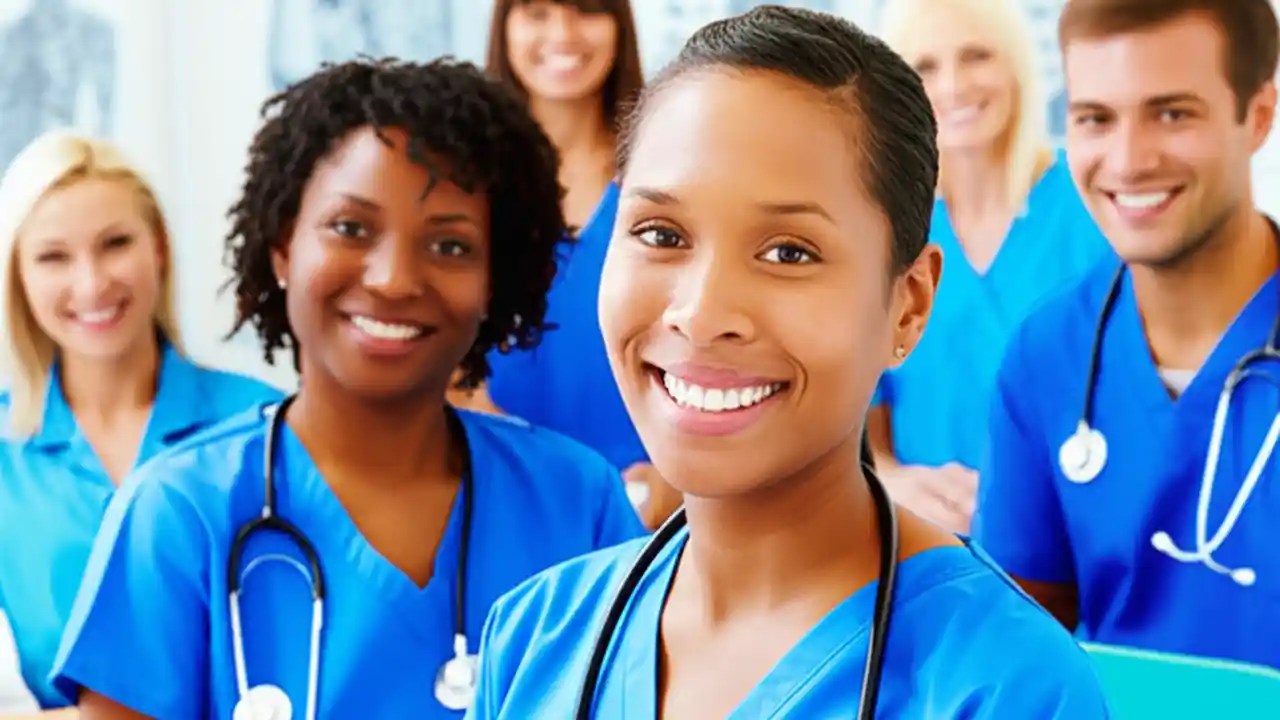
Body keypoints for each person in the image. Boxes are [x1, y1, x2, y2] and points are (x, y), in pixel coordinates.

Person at [467, 7, 1110, 717]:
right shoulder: (533, 641)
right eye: (660, 232)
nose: (703, 313)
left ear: (909, 306)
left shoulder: (1003, 686)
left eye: (788, 252)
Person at [48, 58, 646, 719]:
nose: (393, 278)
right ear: (283, 248)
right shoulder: (179, 512)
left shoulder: (578, 503)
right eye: (351, 229)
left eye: (449, 246)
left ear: (492, 279)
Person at [974, 0, 1280, 669]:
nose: (1128, 160)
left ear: (1257, 115)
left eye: (1172, 113)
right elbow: (1019, 655)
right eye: (1095, 119)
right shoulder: (1045, 358)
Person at [0, 131, 282, 715]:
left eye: (115, 244)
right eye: (53, 256)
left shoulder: (266, 424)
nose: (92, 283)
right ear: (18, 277)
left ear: (158, 247)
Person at [871, 0, 1112, 534]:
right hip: (926, 547)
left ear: (1018, 66)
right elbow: (858, 395)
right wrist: (887, 477)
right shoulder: (889, 227)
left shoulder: (1095, 205)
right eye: (926, 68)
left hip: (1072, 542)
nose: (953, 86)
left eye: (977, 56)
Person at [457, 0, 680, 527]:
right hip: (498, 493)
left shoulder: (668, 165)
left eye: (586, 9)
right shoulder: (460, 179)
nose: (563, 33)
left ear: (618, 24)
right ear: (504, 25)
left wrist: (675, 478)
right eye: (537, 11)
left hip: (648, 507)